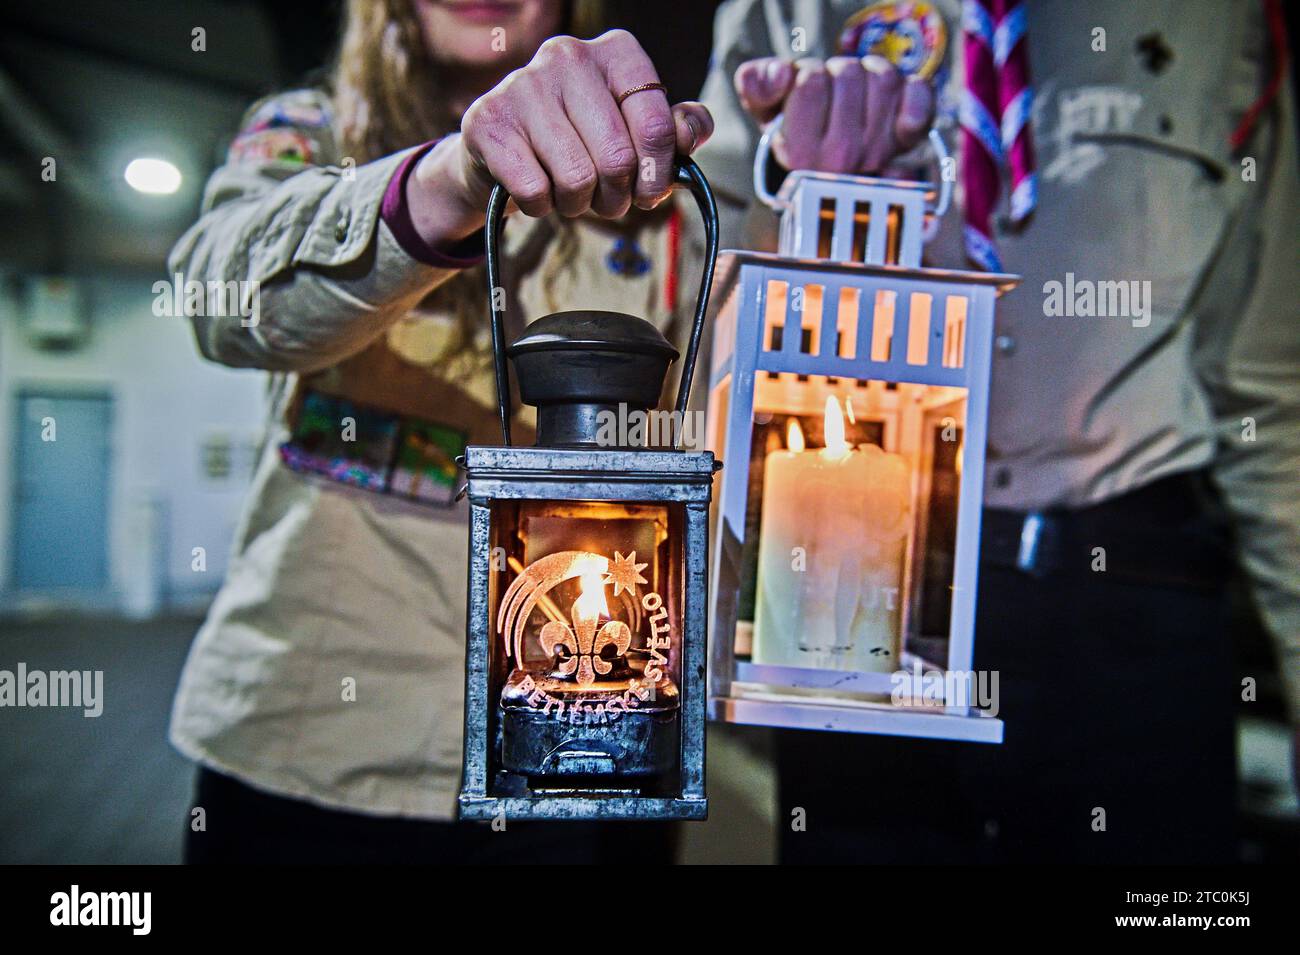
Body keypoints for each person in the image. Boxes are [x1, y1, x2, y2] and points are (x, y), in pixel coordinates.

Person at [693, 0, 1298, 862]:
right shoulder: (787, 13)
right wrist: (790, 193)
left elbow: (1271, 383)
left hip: (1129, 598)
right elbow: (698, 291)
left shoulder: (1218, 19)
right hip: (861, 590)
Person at [166, 0, 731, 863]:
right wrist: (451, 180)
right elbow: (224, 297)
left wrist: (796, 173)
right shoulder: (307, 130)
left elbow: (749, 368)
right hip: (314, 752)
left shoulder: (651, 181)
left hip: (588, 756)